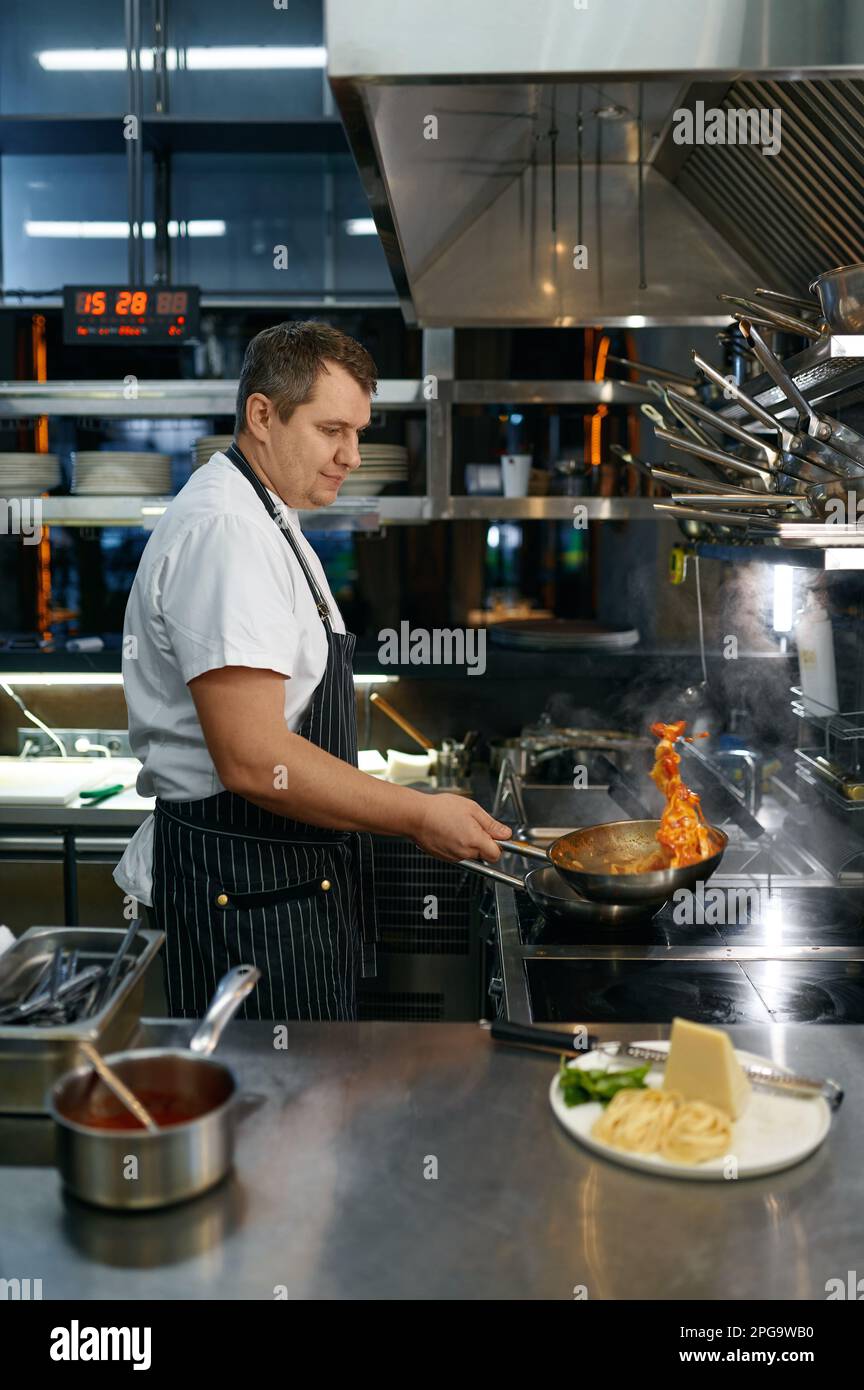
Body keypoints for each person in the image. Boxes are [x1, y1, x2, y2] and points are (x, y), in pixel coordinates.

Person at [114, 321, 510, 1020]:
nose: (352, 456)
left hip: (282, 881)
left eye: (358, 432)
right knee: (274, 1116)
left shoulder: (268, 515)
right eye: (333, 430)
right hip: (246, 891)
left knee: (306, 1107)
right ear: (262, 415)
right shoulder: (228, 532)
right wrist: (417, 814)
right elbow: (250, 757)